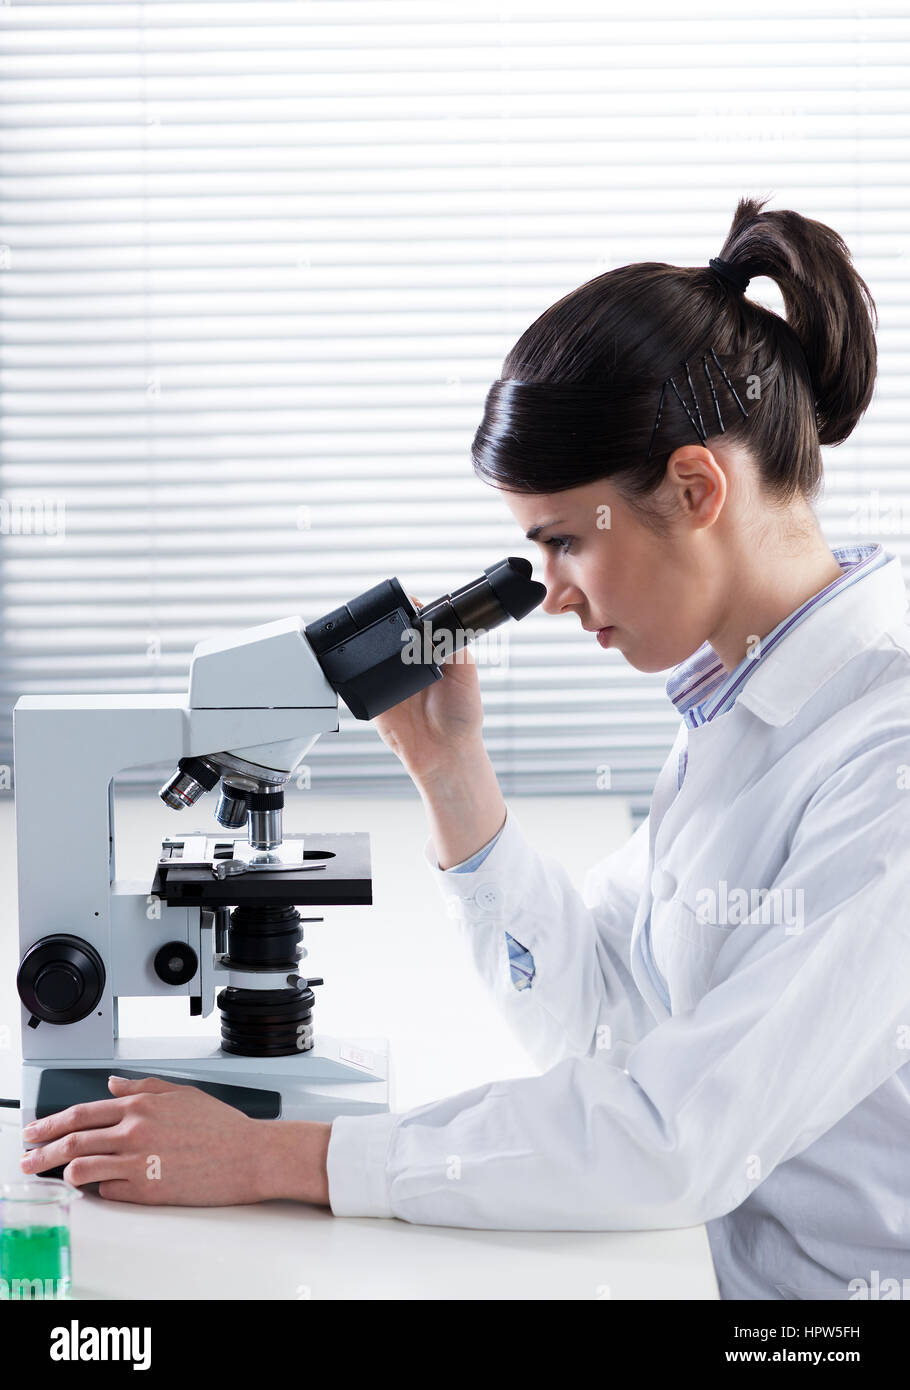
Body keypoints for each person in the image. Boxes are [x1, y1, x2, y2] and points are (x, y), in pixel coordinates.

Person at [21, 195, 910, 1302]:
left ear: (693, 489)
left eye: (561, 543)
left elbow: (675, 1131)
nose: (548, 597)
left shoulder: (883, 759)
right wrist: (451, 773)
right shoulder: (735, 710)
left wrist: (277, 1158)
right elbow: (600, 1024)